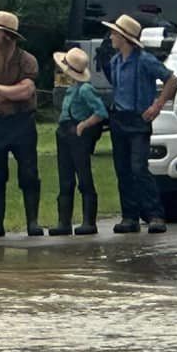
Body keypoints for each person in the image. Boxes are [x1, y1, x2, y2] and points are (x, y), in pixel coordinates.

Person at [103, 13, 177, 234]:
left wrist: (157, 105)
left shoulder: (145, 60)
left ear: (124, 37)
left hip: (138, 119)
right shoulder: (115, 61)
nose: (111, 37)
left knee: (139, 167)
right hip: (119, 118)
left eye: (114, 33)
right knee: (123, 169)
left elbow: (171, 79)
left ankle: (155, 214)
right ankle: (130, 216)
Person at [0, 10, 41, 239]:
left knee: (29, 172)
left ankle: (33, 221)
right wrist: (8, 95)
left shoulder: (27, 60)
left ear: (6, 35)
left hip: (22, 122)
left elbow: (27, 90)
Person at [53, 47, 108, 235]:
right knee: (65, 177)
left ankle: (89, 221)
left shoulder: (85, 89)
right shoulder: (71, 89)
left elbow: (101, 112)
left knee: (83, 176)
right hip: (64, 133)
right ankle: (64, 222)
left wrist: (84, 125)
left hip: (77, 134)